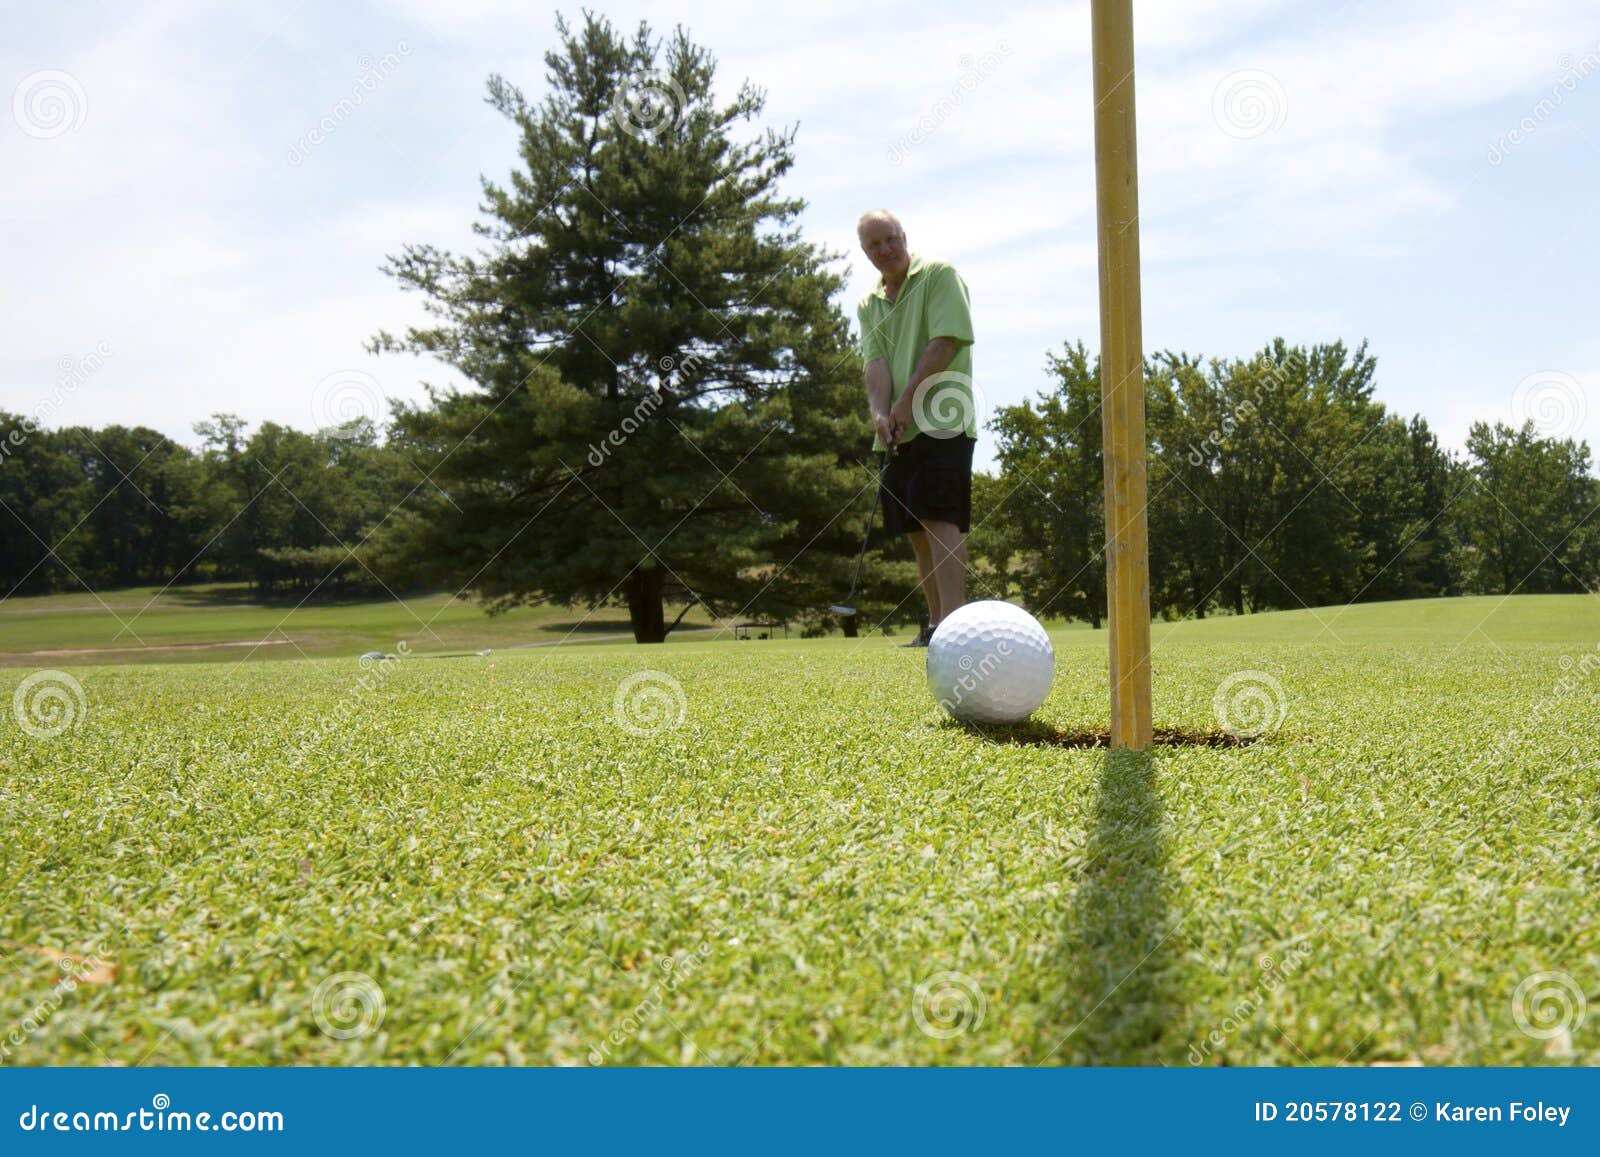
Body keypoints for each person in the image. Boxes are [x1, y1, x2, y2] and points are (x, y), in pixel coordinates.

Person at [855, 209, 978, 647]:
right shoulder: (869, 303)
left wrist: (907, 400)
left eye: (890, 239)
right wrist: (879, 412)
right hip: (898, 431)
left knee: (940, 518)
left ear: (903, 236)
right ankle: (933, 626)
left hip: (943, 420)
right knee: (914, 527)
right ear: (865, 252)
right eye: (874, 245)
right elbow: (875, 363)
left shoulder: (939, 276)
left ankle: (954, 628)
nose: (885, 250)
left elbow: (944, 342)